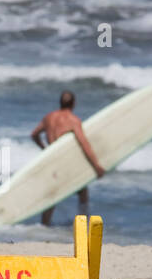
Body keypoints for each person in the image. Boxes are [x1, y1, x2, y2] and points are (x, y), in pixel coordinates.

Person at [30, 90, 105, 227]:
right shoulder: (73, 120)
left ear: (60, 102)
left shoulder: (49, 118)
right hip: (66, 163)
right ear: (74, 103)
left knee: (51, 195)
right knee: (82, 191)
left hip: (51, 160)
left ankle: (44, 225)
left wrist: (44, 149)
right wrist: (96, 166)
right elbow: (84, 144)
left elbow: (34, 134)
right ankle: (83, 223)